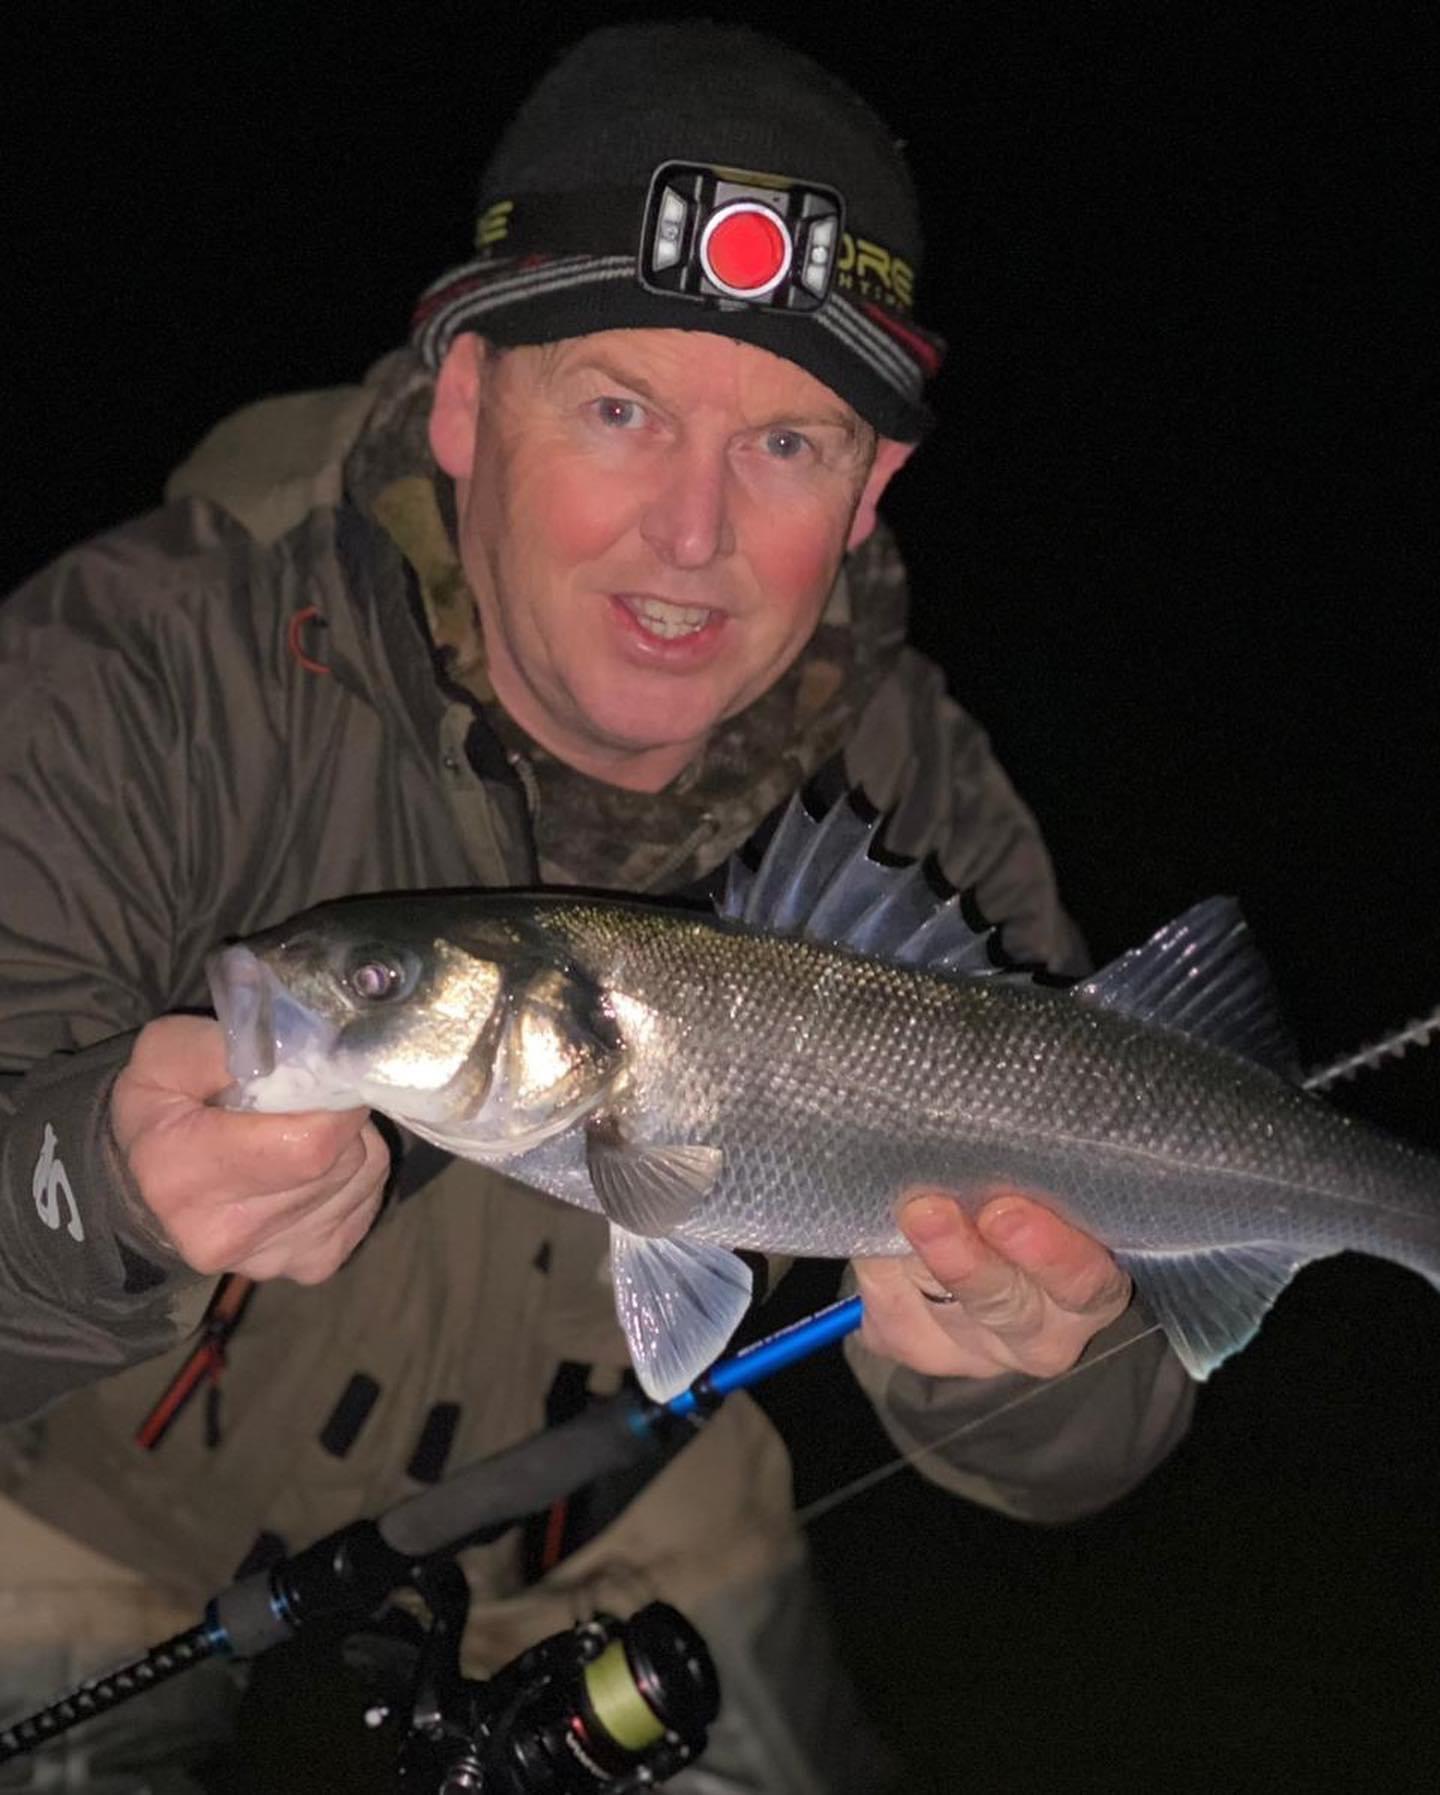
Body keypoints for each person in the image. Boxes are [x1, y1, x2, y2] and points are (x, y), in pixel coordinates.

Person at [0, 22, 1194, 1792]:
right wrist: (88, 1187)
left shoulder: (910, 799)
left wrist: (1036, 1357)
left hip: (619, 1526)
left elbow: (1106, 1433)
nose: (692, 532)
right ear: (470, 399)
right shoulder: (136, 678)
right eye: (622, 410)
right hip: (87, 1496)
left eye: (786, 444)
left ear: (869, 494)